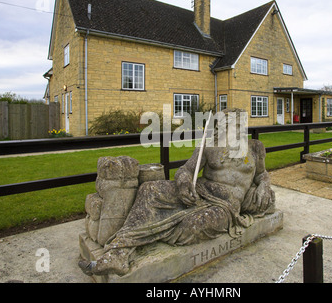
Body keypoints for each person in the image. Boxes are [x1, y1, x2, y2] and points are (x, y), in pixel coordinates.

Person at [79, 109, 275, 276]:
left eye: (243, 124)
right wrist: (183, 183)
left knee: (192, 225)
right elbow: (186, 170)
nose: (241, 128)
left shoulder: (255, 148)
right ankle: (119, 253)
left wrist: (265, 185)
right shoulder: (209, 146)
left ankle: (150, 231)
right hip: (199, 190)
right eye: (236, 125)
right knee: (150, 188)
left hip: (224, 206)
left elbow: (261, 175)